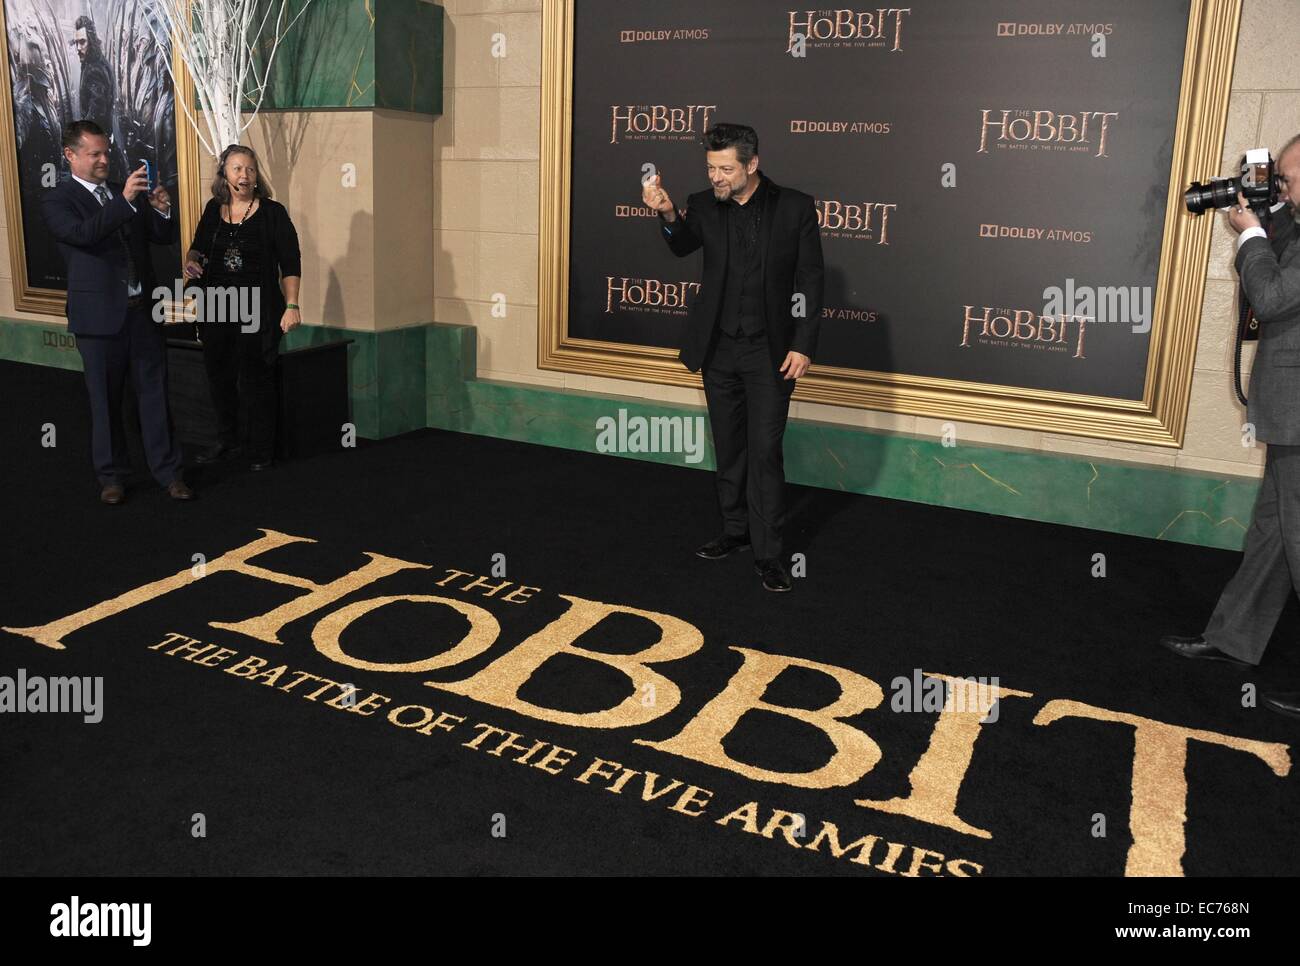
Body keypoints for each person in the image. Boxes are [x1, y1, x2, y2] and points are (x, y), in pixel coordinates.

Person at [642, 123, 824, 592]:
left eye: (725, 169)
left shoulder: (795, 208)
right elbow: (683, 245)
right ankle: (735, 530)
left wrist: (803, 343)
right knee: (729, 445)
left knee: (764, 452)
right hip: (718, 349)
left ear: (752, 165)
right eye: (710, 168)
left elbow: (810, 280)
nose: (716, 177)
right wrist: (666, 213)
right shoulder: (703, 204)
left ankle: (768, 555)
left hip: (771, 353)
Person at [1161, 133, 1300, 719]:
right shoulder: (1292, 220)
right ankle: (1235, 638)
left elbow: (1269, 296)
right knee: (1273, 533)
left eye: (1291, 181)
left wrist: (1248, 233)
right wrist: (1259, 207)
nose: (1284, 190)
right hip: (1289, 409)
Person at [40, 120, 191, 504]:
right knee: (105, 401)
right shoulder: (58, 199)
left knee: (155, 395)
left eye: (107, 152)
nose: (105, 159)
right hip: (99, 319)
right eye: (95, 154)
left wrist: (161, 211)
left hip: (143, 313)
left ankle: (169, 473)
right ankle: (112, 477)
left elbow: (158, 239)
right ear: (70, 155)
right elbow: (84, 235)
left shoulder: (124, 191)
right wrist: (125, 202)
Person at [185, 144, 302, 471]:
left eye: (249, 169)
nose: (244, 175)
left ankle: (261, 449)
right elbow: (196, 251)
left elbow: (290, 262)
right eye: (237, 168)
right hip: (217, 308)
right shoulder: (213, 209)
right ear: (224, 174)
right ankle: (228, 439)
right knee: (219, 377)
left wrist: (291, 304)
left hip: (258, 309)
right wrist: (191, 264)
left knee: (256, 379)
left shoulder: (272, 213)